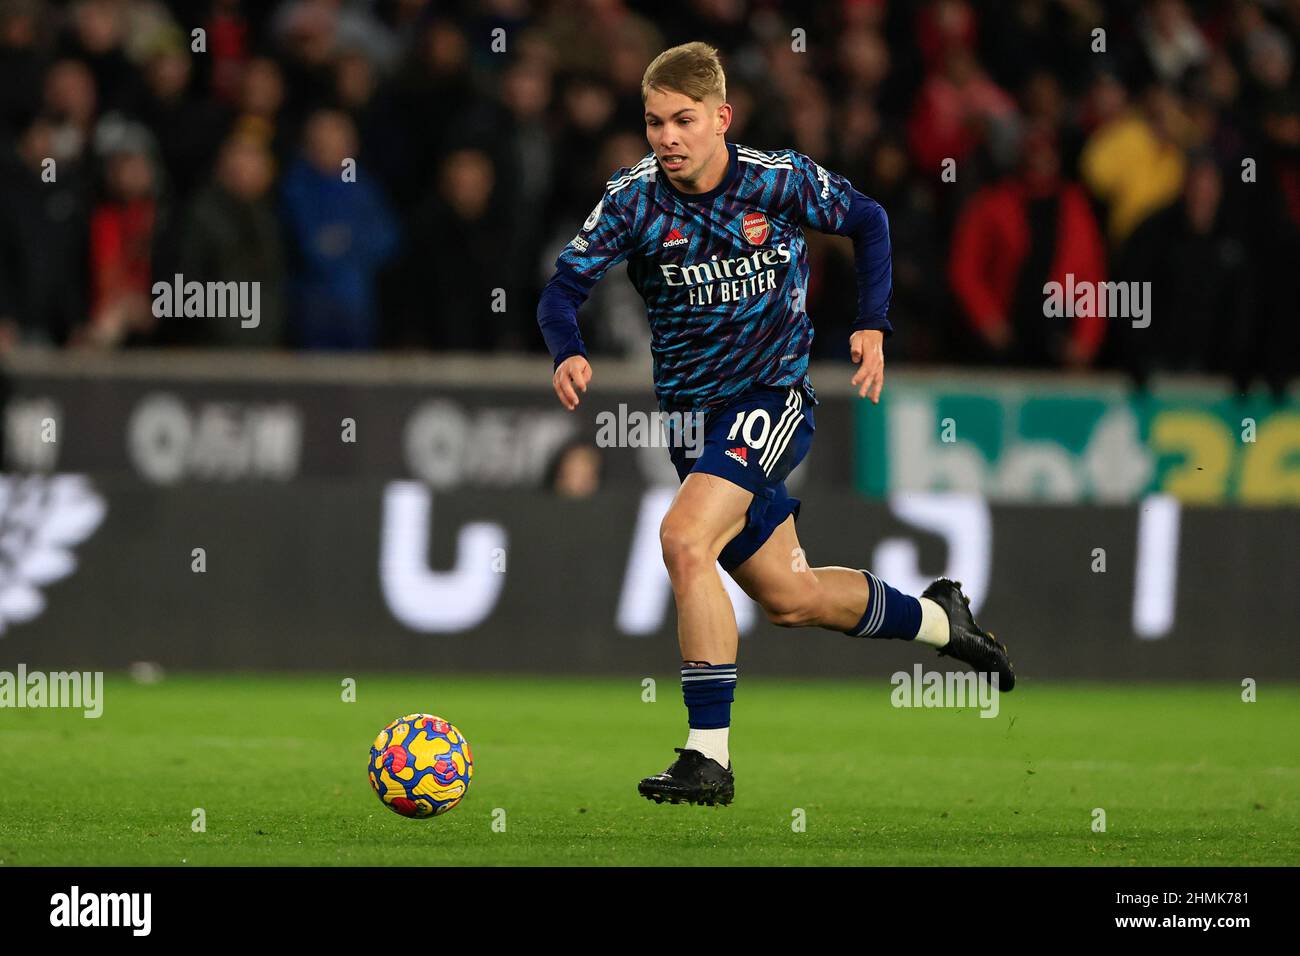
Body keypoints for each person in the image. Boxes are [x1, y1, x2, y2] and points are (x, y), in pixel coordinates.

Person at [535, 42, 1016, 808]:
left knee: (684, 539)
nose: (666, 137)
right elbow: (561, 289)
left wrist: (871, 323)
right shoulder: (632, 200)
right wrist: (568, 351)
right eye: (655, 121)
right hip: (693, 424)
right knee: (791, 598)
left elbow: (870, 220)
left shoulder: (778, 180)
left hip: (769, 399)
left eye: (684, 120)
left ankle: (708, 758)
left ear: (722, 118)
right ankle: (939, 621)